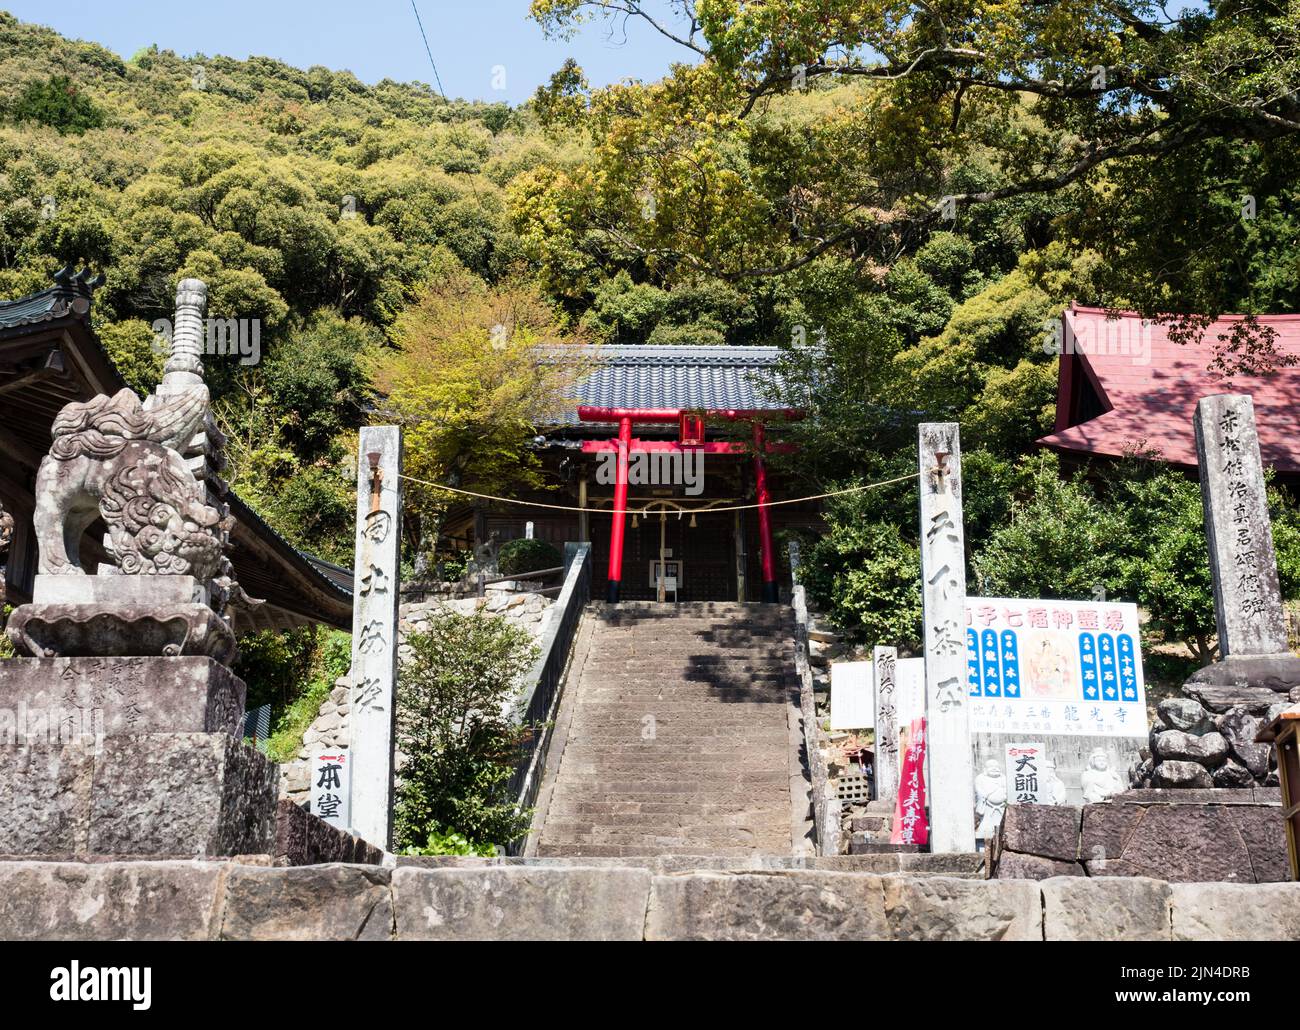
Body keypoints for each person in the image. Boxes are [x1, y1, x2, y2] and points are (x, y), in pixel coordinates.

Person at [974, 759, 1007, 839]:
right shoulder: (980, 778)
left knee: (1004, 823)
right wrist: (985, 795)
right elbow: (979, 791)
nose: (994, 768)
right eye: (991, 767)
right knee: (985, 825)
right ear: (985, 769)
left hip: (1002, 805)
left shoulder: (1004, 778)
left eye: (996, 766)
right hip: (987, 805)